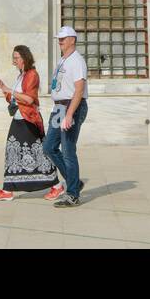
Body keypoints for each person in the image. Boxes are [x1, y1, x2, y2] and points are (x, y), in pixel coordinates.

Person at [0, 45, 58, 201]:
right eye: (13, 58)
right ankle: (8, 189)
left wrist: (9, 90)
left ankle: (57, 186)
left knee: (38, 153)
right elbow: (16, 98)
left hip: (29, 119)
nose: (14, 61)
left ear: (24, 58)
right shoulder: (22, 75)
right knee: (13, 151)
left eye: (16, 58)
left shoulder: (32, 75)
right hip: (20, 118)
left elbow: (28, 99)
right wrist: (4, 89)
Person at [43, 26, 88, 207]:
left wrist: (69, 114)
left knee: (68, 151)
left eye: (63, 38)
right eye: (59, 38)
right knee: (49, 147)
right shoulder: (63, 60)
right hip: (59, 108)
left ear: (72, 40)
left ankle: (72, 194)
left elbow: (79, 89)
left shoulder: (77, 61)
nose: (60, 41)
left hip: (71, 107)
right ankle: (74, 182)